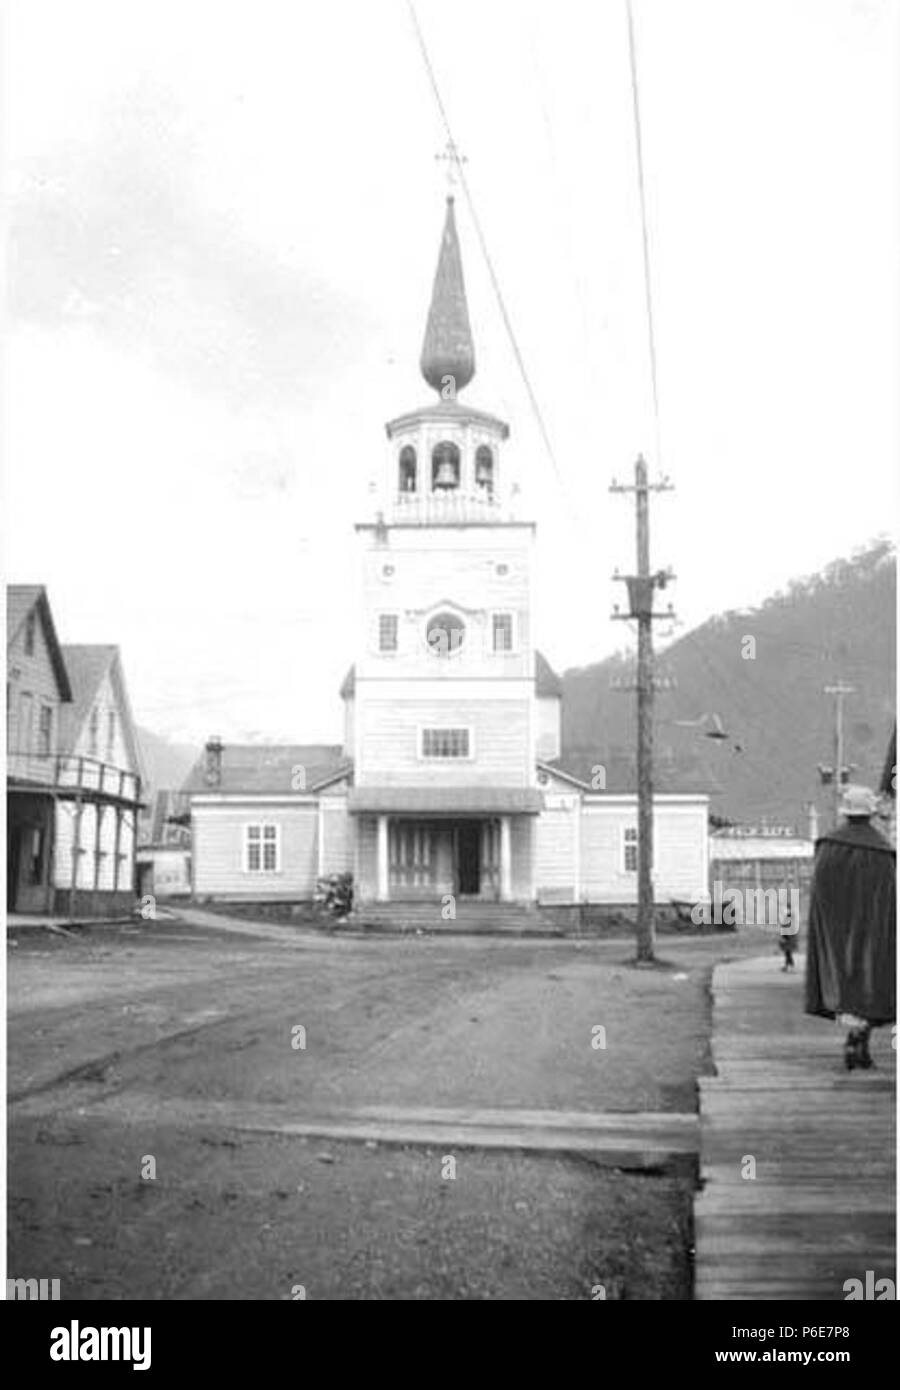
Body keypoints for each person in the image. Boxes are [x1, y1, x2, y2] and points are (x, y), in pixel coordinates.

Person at [805, 785, 896, 1070]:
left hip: (836, 931)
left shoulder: (827, 846)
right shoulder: (883, 852)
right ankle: (860, 1040)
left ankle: (857, 1039)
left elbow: (819, 893)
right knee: (872, 985)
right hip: (873, 931)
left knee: (845, 984)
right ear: (870, 814)